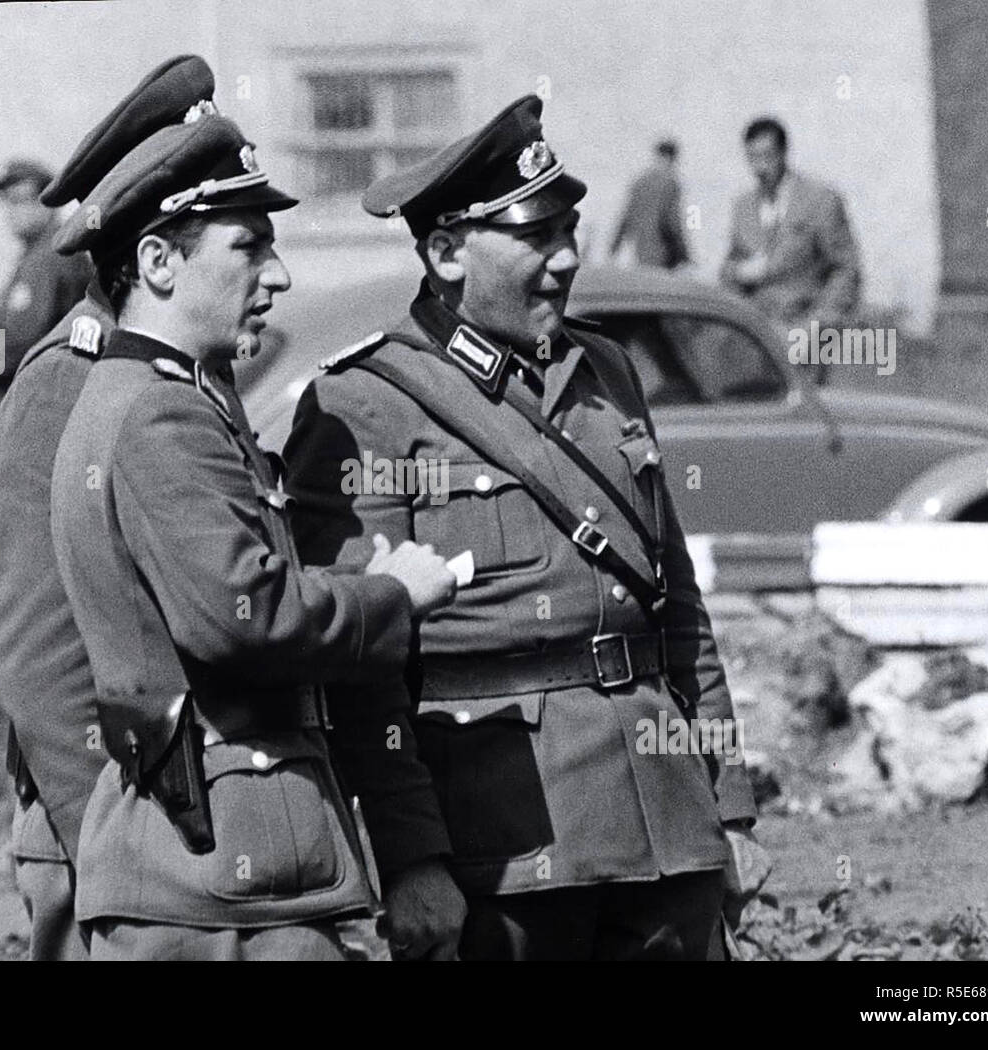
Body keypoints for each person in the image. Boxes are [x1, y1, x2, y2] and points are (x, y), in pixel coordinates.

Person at [284, 94, 771, 960]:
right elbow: (365, 674)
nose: (567, 260)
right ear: (445, 253)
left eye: (569, 231)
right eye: (535, 238)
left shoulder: (607, 371)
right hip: (505, 848)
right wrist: (410, 859)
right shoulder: (367, 403)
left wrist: (728, 804)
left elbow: (678, 609)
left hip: (666, 826)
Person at [46, 110, 463, 961]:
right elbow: (244, 617)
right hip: (221, 890)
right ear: (157, 261)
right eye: (248, 248)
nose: (276, 277)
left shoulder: (159, 396)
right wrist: (392, 595)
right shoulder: (160, 413)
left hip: (215, 875)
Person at [0, 55, 227, 961]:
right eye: (226, 228)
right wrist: (116, 845)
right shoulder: (70, 378)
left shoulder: (184, 369)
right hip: (104, 822)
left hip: (182, 818)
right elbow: (40, 650)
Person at [720, 116, 860, 383]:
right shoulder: (743, 207)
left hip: (806, 337)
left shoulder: (820, 200)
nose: (760, 167)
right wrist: (739, 272)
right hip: (755, 342)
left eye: (767, 156)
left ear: (784, 153)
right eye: (752, 158)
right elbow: (727, 271)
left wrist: (817, 328)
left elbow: (847, 270)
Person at [0, 159, 90, 417]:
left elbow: (23, 336)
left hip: (41, 400)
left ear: (48, 202)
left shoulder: (50, 256)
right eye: (7, 201)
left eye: (20, 200)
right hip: (41, 395)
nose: (10, 211)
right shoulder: (42, 252)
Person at [609, 139, 689, 269]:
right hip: (665, 252)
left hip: (640, 251)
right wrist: (684, 254)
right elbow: (673, 222)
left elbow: (626, 217)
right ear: (671, 158)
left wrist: (614, 248)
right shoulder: (671, 183)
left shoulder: (639, 182)